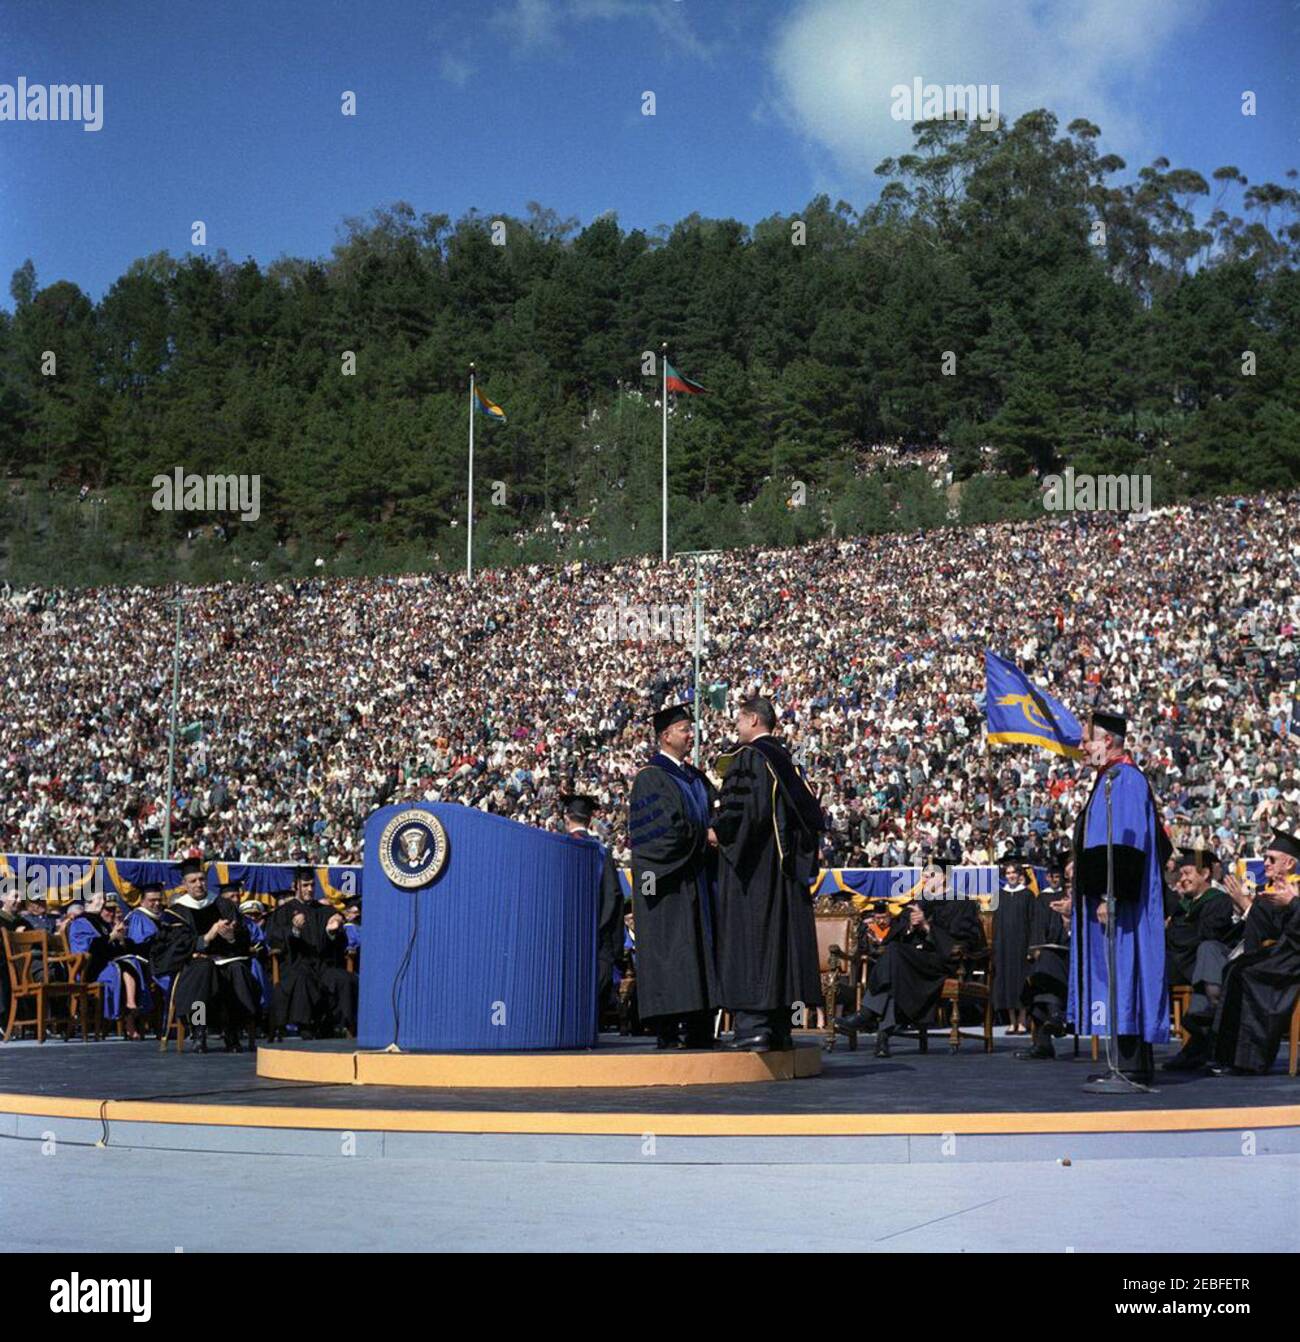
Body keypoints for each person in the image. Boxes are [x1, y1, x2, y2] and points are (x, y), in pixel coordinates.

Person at [712, 696, 824, 1052]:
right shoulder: (788, 763)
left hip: (755, 876)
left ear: (753, 720)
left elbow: (745, 816)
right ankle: (778, 1029)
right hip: (785, 876)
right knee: (782, 948)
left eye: (739, 719)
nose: (736, 727)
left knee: (752, 943)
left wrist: (719, 833)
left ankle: (753, 1028)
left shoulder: (750, 759)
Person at [1068, 710, 1171, 1085]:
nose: (1081, 747)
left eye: (1087, 740)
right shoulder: (1109, 780)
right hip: (1114, 900)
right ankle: (1126, 1061)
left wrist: (1108, 896)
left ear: (1107, 740)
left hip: (1120, 905)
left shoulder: (1123, 780)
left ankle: (1128, 1064)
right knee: (1120, 972)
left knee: (1125, 971)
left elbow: (1124, 845)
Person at [627, 704, 720, 1050]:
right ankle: (671, 1029)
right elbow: (661, 834)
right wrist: (704, 837)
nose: (690, 734)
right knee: (674, 952)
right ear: (666, 736)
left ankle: (699, 1027)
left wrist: (717, 826)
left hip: (695, 881)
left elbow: (717, 810)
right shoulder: (651, 777)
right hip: (667, 884)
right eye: (684, 729)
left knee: (699, 951)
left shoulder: (695, 777)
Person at [1206, 828, 1300, 1076]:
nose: (1265, 863)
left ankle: (1250, 1060)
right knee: (1236, 968)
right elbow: (1271, 932)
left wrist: (1292, 904)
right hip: (1282, 955)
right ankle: (1226, 1055)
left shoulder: (1296, 889)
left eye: (1271, 859)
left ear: (1289, 863)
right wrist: (1249, 906)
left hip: (1294, 959)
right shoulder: (1271, 890)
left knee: (1247, 973)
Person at [150, 857, 259, 1053]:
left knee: (238, 971)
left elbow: (245, 937)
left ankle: (232, 1030)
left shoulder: (223, 905)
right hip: (194, 966)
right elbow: (171, 947)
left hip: (226, 960)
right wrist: (205, 939)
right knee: (203, 970)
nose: (199, 884)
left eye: (201, 879)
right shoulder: (175, 913)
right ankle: (198, 1030)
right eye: (193, 881)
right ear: (184, 884)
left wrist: (232, 937)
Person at [1161, 850, 1238, 1071]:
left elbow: (1206, 935)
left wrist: (1174, 931)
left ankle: (1198, 1036)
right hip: (1183, 963)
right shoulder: (1181, 906)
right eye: (1180, 874)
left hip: (1200, 963)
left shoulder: (1219, 901)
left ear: (1204, 873)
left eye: (1187, 873)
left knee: (1206, 950)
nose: (1182, 879)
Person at [267, 866, 357, 1039]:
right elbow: (274, 939)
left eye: (312, 885)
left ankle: (342, 1025)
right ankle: (305, 1026)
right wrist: (294, 930)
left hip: (322, 965)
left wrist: (333, 931)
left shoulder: (324, 911)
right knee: (302, 978)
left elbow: (339, 942)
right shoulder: (283, 912)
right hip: (296, 964)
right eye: (305, 885)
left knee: (343, 979)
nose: (310, 889)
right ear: (296, 886)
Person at [561, 794, 624, 1023]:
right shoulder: (602, 852)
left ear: (566, 818)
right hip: (599, 935)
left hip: (566, 935)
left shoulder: (557, 848)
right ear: (590, 821)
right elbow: (614, 895)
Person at [66, 894, 154, 1039]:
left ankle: (131, 1011)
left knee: (132, 962)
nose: (104, 902)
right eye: (100, 899)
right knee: (120, 968)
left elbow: (112, 950)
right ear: (89, 902)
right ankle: (130, 1013)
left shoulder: (102, 923)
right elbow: (89, 950)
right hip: (89, 969)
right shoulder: (80, 922)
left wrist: (121, 941)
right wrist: (112, 937)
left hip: (107, 965)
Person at [991, 853, 1033, 1034]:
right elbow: (996, 923)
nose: (1011, 876)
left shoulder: (1028, 895)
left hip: (1022, 943)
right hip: (1004, 944)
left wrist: (1032, 946)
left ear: (1019, 874)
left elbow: (1032, 922)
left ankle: (1023, 1019)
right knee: (1007, 981)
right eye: (1008, 873)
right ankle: (1012, 1020)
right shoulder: (999, 895)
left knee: (1022, 981)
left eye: (1014, 873)